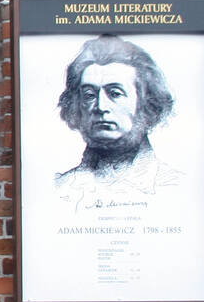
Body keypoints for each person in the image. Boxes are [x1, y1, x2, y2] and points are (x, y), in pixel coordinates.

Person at [54, 34, 183, 197]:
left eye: (115, 93)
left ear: (146, 103)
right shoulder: (60, 189)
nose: (100, 107)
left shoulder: (176, 187)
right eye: (89, 95)